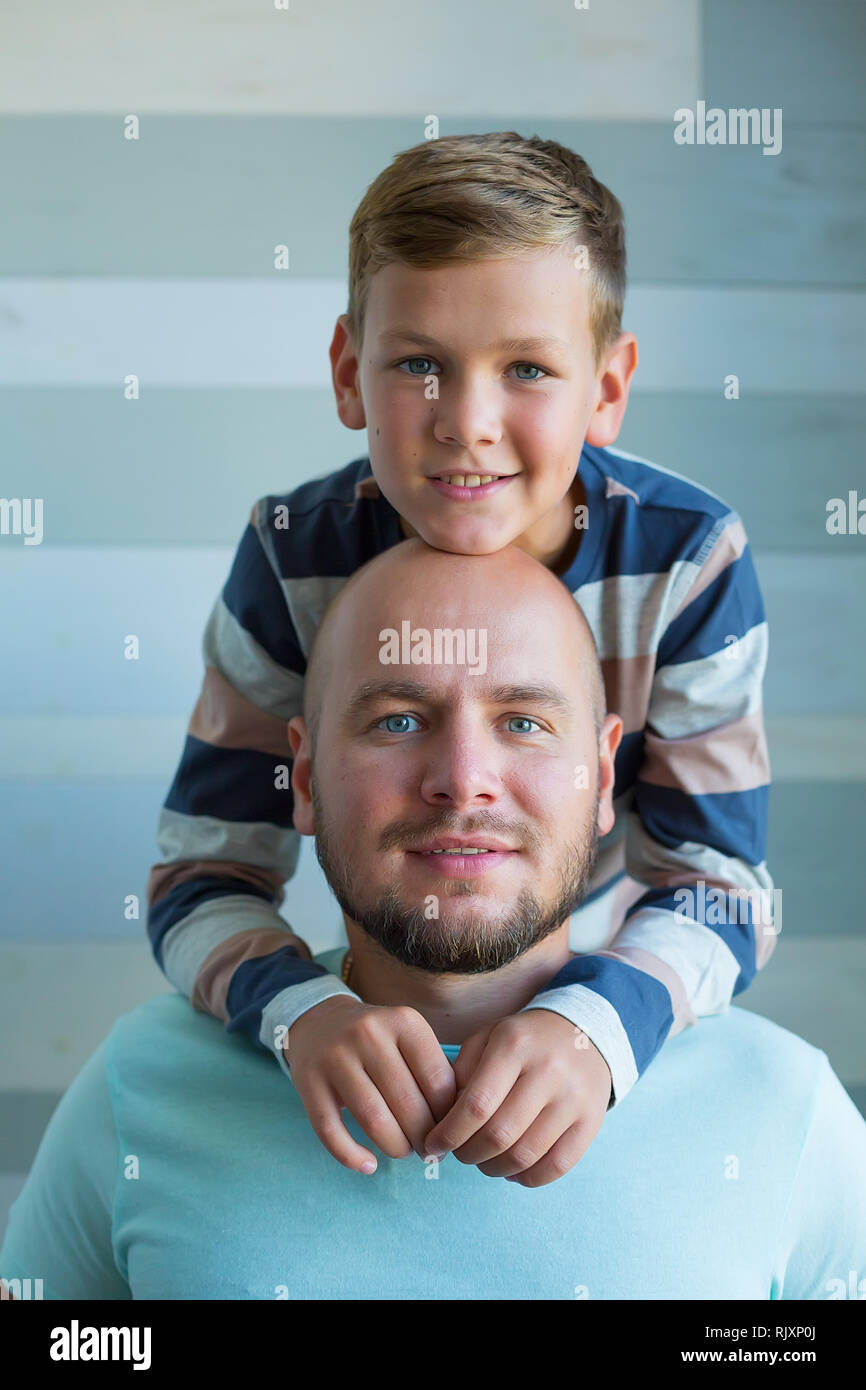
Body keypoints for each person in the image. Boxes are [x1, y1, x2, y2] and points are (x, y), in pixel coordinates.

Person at [146, 131, 776, 1182]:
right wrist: (303, 1009)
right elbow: (200, 871)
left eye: (526, 367)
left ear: (606, 387)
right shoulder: (290, 556)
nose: (467, 425)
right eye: (419, 365)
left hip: (588, 982)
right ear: (349, 373)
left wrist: (592, 1028)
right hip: (389, 981)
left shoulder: (688, 562)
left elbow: (719, 884)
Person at [2, 541, 863, 1300]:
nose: (463, 778)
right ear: (302, 779)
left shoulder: (789, 1114)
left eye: (523, 722)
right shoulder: (137, 1088)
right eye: (399, 719)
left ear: (603, 778)